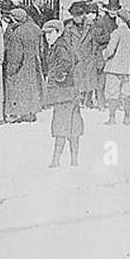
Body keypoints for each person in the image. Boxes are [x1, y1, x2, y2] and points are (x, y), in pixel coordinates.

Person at [43, 19, 83, 167]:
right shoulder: (64, 44)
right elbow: (76, 59)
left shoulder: (59, 46)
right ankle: (74, 160)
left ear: (58, 32)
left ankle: (56, 160)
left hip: (63, 93)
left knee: (60, 126)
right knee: (73, 127)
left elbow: (66, 62)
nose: (48, 36)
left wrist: (59, 76)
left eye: (50, 33)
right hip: (71, 92)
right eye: (46, 34)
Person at [3, 7, 44, 123]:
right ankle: (31, 113)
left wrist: (10, 70)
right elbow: (41, 48)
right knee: (32, 89)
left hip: (21, 67)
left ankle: (19, 113)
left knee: (19, 89)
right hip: (34, 64)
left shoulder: (17, 33)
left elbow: (16, 55)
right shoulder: (36, 28)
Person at [102, 5, 130, 125]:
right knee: (127, 94)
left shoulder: (116, 32)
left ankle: (112, 118)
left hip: (113, 68)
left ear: (119, 19)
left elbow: (110, 51)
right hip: (126, 69)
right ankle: (127, 117)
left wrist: (104, 54)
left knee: (112, 94)